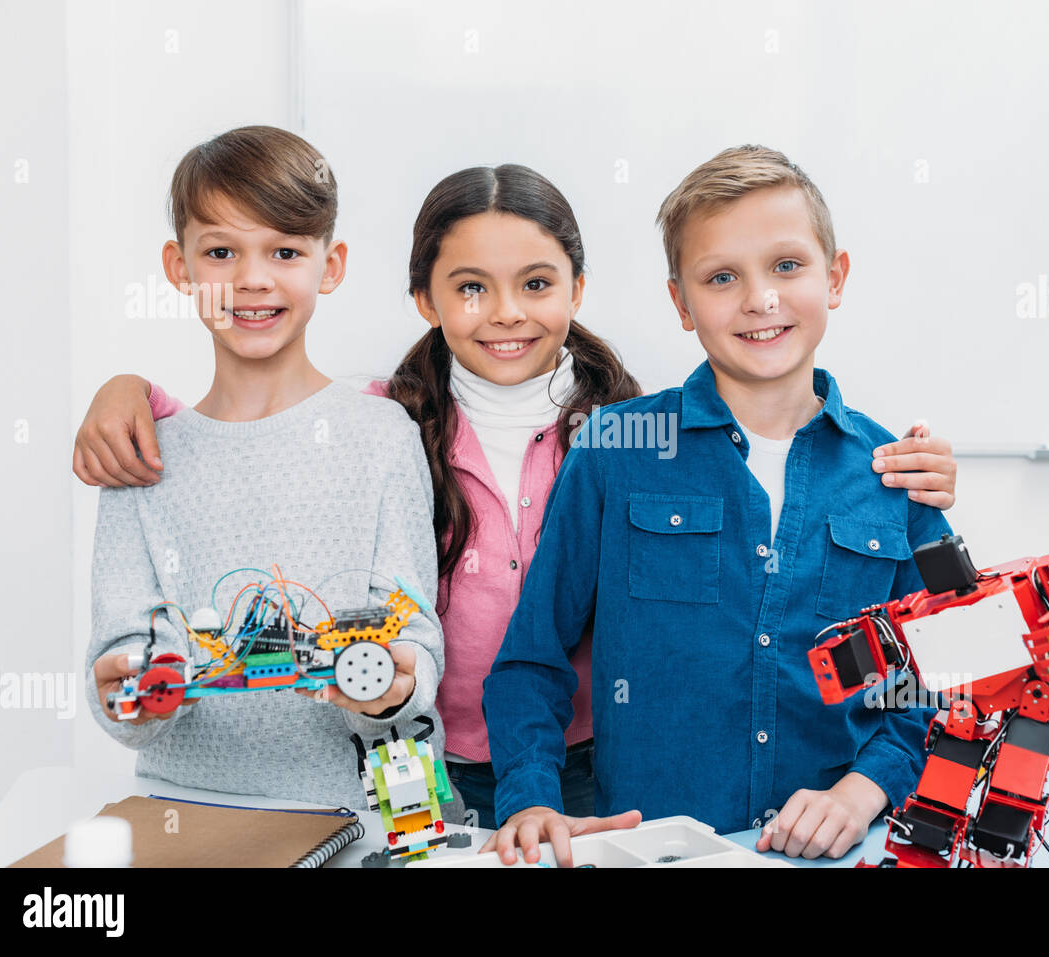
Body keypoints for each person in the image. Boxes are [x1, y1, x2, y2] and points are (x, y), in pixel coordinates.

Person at [74, 158, 956, 831]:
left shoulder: (619, 429)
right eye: (469, 287)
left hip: (592, 770)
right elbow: (257, 439)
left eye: (536, 283)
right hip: (414, 756)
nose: (506, 312)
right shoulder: (386, 423)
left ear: (577, 287)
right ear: (424, 297)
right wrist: (131, 394)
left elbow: (932, 679)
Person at [482, 145, 958, 866]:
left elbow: (940, 679)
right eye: (722, 276)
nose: (760, 298)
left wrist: (865, 788)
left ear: (835, 278)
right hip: (650, 850)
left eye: (787, 266)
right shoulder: (617, 448)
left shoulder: (895, 472)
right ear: (681, 302)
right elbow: (532, 659)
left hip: (834, 853)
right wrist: (530, 797)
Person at [84, 125, 450, 814]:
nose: (252, 278)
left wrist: (394, 683)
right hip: (185, 808)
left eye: (285, 250)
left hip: (359, 809)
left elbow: (414, 633)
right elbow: (118, 661)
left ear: (330, 264)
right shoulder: (139, 451)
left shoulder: (381, 436)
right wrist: (130, 692)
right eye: (221, 251)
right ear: (179, 267)